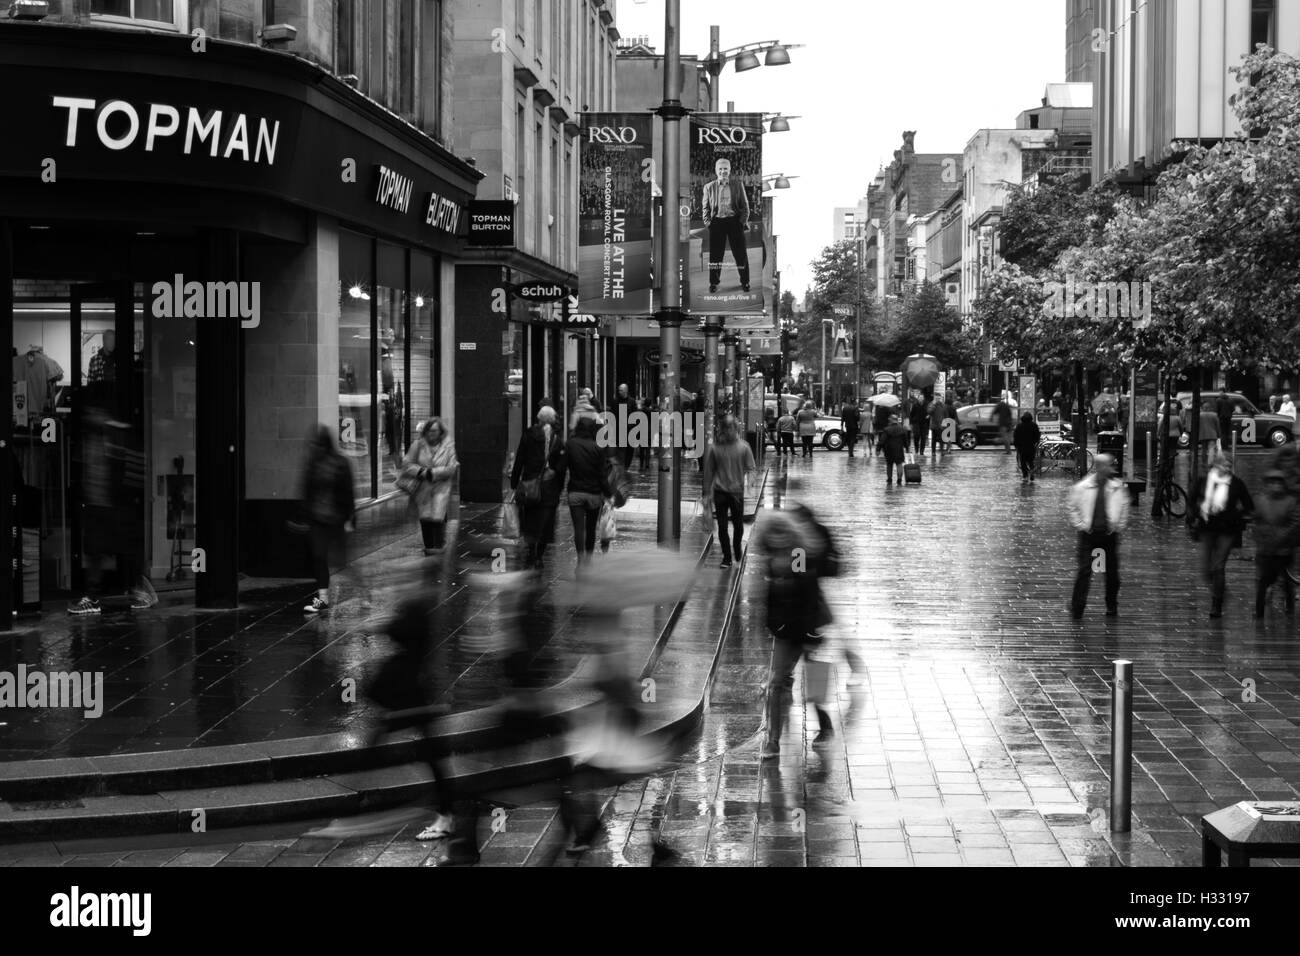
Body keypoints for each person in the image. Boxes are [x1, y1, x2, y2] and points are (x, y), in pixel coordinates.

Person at [758, 512, 832, 759]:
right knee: (776, 683)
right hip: (784, 630)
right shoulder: (770, 557)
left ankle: (825, 724)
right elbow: (770, 596)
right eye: (772, 534)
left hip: (805, 626)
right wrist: (773, 625)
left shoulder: (798, 555)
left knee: (813, 680)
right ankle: (772, 741)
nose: (776, 539)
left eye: (780, 533)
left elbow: (809, 594)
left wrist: (810, 636)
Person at [1189, 453, 1254, 619]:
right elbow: (1192, 500)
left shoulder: (1237, 484)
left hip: (1227, 529)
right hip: (1207, 527)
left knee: (1218, 566)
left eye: (1229, 465)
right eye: (1224, 465)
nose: (1227, 468)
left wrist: (1236, 515)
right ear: (1216, 465)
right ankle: (1220, 590)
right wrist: (1196, 514)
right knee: (1205, 570)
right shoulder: (1204, 481)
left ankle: (1216, 604)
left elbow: (1248, 505)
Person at [300, 425, 356, 614]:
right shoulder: (312, 463)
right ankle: (322, 599)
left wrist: (350, 517)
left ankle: (365, 593)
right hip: (317, 518)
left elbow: (348, 491)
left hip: (336, 518)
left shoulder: (340, 463)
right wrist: (303, 515)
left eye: (317, 444)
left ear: (325, 445)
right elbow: (306, 490)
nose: (314, 448)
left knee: (341, 562)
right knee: (319, 556)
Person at [1067, 453, 1129, 619]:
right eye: (1109, 465)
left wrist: (1118, 526)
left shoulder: (1117, 487)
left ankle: (1111, 605)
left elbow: (1123, 507)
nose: (1112, 468)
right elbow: (1073, 507)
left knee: (1112, 573)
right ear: (1100, 467)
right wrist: (1081, 525)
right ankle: (1077, 607)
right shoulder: (1083, 487)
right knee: (1085, 570)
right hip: (1089, 535)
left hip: (1109, 535)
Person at [510, 405, 565, 570]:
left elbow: (520, 459)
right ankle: (539, 555)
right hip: (549, 488)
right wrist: (559, 488)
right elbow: (561, 468)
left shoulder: (528, 434)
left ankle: (530, 550)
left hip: (530, 485)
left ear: (539, 419)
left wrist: (514, 482)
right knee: (546, 523)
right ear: (553, 419)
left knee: (531, 519)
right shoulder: (558, 439)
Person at [702, 415, 756, 569]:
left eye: (731, 428)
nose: (728, 431)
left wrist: (750, 482)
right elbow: (709, 471)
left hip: (736, 493)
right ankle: (726, 557)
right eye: (726, 429)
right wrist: (706, 493)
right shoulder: (715, 448)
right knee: (723, 527)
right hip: (720, 492)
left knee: (738, 526)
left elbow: (751, 468)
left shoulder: (744, 447)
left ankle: (737, 545)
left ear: (735, 429)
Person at [401, 417, 459, 557]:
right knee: (425, 518)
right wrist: (421, 472)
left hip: (441, 489)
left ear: (440, 432)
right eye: (429, 430)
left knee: (438, 517)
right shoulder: (418, 445)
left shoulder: (448, 446)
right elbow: (406, 464)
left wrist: (433, 473)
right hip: (423, 489)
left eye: (435, 431)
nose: (431, 433)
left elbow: (452, 468)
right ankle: (429, 548)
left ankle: (438, 548)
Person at [1253, 469, 1299, 619]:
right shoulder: (1261, 500)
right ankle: (1259, 612)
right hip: (1265, 549)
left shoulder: (1290, 501)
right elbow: (1256, 521)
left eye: (1278, 483)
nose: (1275, 486)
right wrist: (1261, 536)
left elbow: (1294, 522)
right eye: (1272, 483)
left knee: (1286, 581)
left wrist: (1282, 536)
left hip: (1283, 550)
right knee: (1264, 580)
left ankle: (1290, 609)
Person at [564, 415, 607, 571]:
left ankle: (580, 558)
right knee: (590, 528)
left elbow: (562, 467)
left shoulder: (570, 444)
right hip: (594, 494)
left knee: (578, 528)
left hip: (575, 492)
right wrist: (608, 493)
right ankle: (588, 558)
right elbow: (602, 475)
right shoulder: (598, 447)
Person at [701, 157, 750, 294]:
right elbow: (705, 208)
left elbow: (745, 207)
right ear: (716, 171)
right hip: (717, 223)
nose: (723, 171)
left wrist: (741, 223)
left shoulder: (737, 184)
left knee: (741, 255)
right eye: (720, 169)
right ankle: (714, 283)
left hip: (734, 222)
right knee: (715, 256)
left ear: (729, 170)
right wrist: (709, 224)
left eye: (725, 169)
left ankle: (745, 281)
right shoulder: (708, 187)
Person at [881, 413, 910, 486]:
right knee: (899, 464)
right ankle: (899, 479)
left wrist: (878, 448)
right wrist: (907, 448)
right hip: (899, 449)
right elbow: (905, 440)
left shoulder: (887, 429)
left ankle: (889, 478)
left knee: (889, 464)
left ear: (891, 420)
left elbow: (882, 440)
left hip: (889, 449)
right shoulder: (902, 429)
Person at [1013, 411, 1041, 484]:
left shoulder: (1019, 426)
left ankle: (1025, 476)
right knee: (1031, 461)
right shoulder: (1034, 425)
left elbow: (1015, 436)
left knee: (1023, 462)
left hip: (1022, 447)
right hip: (1031, 446)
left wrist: (1016, 445)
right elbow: (1037, 435)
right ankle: (1031, 470)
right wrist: (1035, 442)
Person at [613, 384, 635, 470]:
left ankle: (626, 466)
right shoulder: (615, 401)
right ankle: (621, 466)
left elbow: (635, 415)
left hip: (629, 430)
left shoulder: (632, 401)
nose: (619, 392)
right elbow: (613, 414)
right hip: (619, 430)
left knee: (629, 449)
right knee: (619, 449)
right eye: (619, 390)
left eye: (621, 390)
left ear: (626, 391)